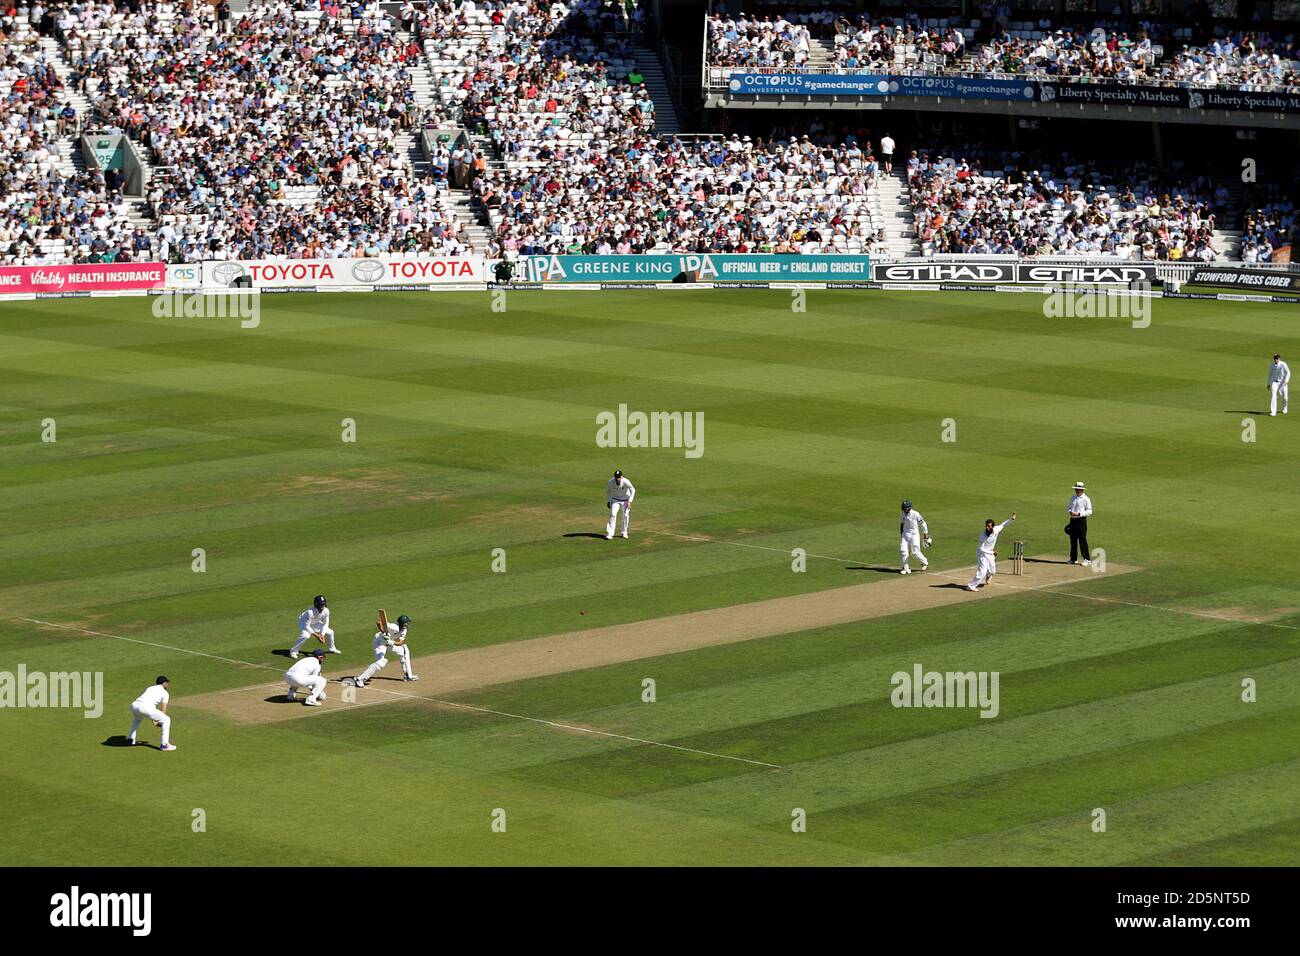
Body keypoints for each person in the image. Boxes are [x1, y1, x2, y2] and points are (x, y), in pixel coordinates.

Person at [355, 615, 417, 686]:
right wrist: (383, 633)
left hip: (389, 642)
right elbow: (379, 622)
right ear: (403, 624)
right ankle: (359, 679)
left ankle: (407, 675)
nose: (408, 624)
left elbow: (401, 642)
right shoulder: (393, 627)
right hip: (379, 642)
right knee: (382, 662)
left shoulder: (404, 630)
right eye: (407, 623)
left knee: (404, 651)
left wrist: (393, 642)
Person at [967, 513, 1017, 591]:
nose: (987, 528)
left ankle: (988, 575)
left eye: (989, 526)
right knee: (982, 571)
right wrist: (992, 553)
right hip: (981, 553)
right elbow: (981, 549)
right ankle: (971, 585)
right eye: (986, 526)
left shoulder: (996, 529)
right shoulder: (982, 535)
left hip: (990, 552)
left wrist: (1011, 519)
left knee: (992, 571)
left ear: (993, 527)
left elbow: (1003, 525)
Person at [127, 676, 176, 750]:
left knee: (137, 718)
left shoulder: (150, 688)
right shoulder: (165, 693)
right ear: (164, 683)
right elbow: (163, 708)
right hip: (146, 708)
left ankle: (130, 739)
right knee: (166, 719)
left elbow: (149, 707)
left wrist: (155, 719)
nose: (168, 684)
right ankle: (164, 745)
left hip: (134, 705)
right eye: (167, 682)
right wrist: (159, 721)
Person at [898, 499, 931, 574]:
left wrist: (926, 533)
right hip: (905, 534)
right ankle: (905, 568)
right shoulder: (902, 513)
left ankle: (925, 562)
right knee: (903, 551)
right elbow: (902, 524)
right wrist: (902, 535)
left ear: (909, 508)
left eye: (905, 508)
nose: (904, 510)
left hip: (914, 534)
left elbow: (923, 523)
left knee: (915, 552)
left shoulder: (915, 514)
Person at [1066, 481, 1092, 565]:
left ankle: (1087, 559)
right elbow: (1069, 507)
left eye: (1079, 489)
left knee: (1082, 540)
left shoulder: (1086, 499)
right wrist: (1070, 512)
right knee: (1073, 540)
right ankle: (1073, 558)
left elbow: (1089, 511)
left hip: (1081, 521)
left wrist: (1080, 514)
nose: (1077, 491)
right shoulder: (1073, 497)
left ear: (1082, 490)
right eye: (1076, 489)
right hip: (1073, 520)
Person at [606, 469, 636, 539]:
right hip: (615, 500)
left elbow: (633, 490)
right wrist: (609, 501)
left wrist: (630, 501)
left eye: (619, 477)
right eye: (616, 477)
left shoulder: (626, 481)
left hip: (625, 500)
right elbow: (608, 491)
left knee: (625, 515)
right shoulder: (611, 482)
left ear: (621, 477)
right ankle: (610, 533)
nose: (617, 479)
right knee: (613, 514)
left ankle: (624, 532)